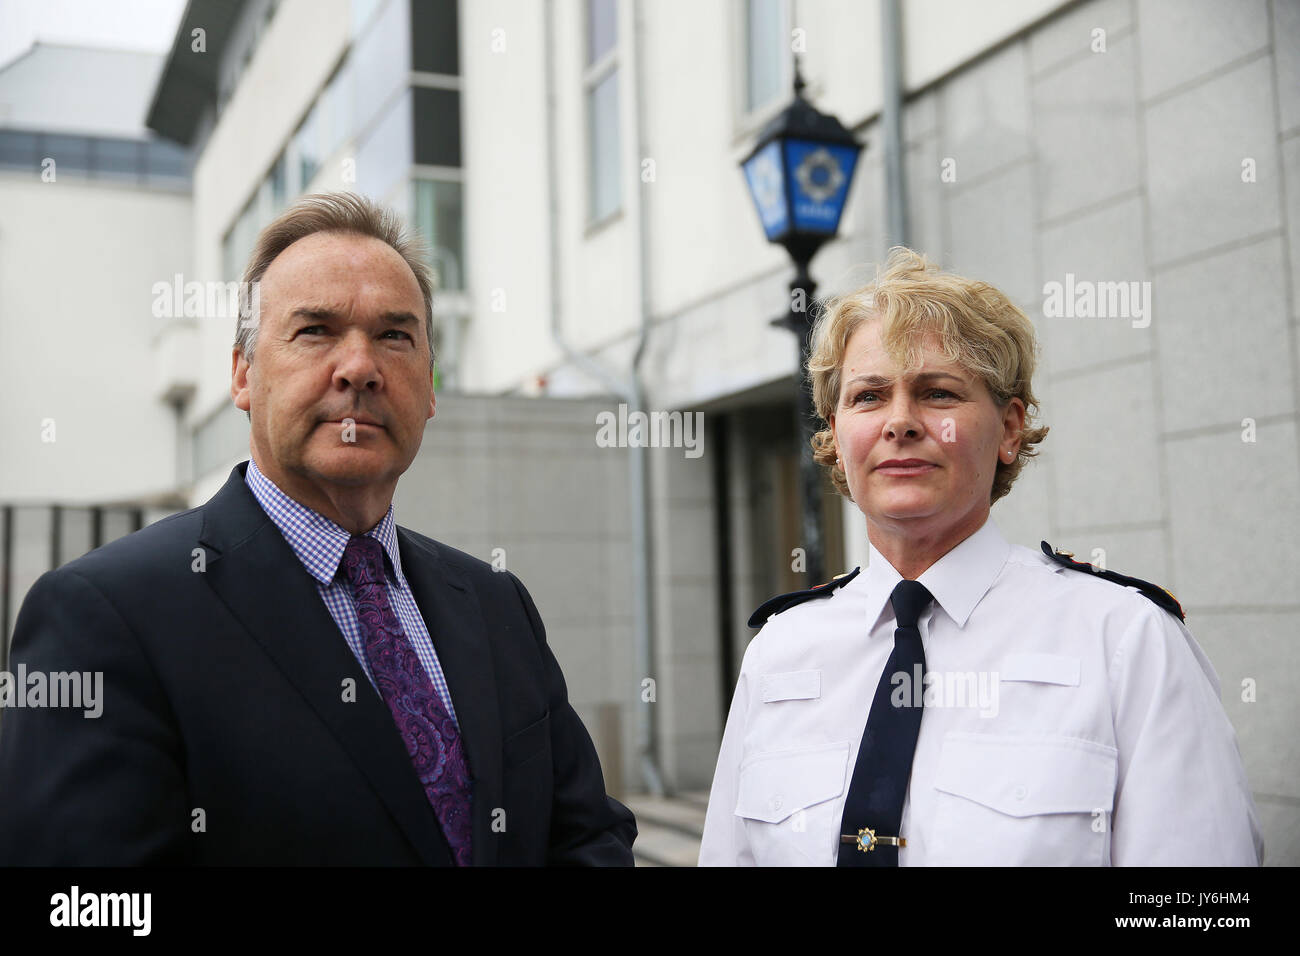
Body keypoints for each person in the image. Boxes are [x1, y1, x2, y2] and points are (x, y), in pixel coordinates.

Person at [0, 192, 636, 866]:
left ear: (429, 387)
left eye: (395, 335)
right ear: (243, 374)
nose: (359, 367)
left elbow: (586, 836)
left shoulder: (496, 604)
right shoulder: (108, 616)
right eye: (315, 331)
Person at [698, 247, 1263, 866]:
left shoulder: (1125, 640)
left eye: (938, 393)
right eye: (868, 397)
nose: (900, 422)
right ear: (835, 435)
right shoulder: (780, 651)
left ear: (1010, 429)